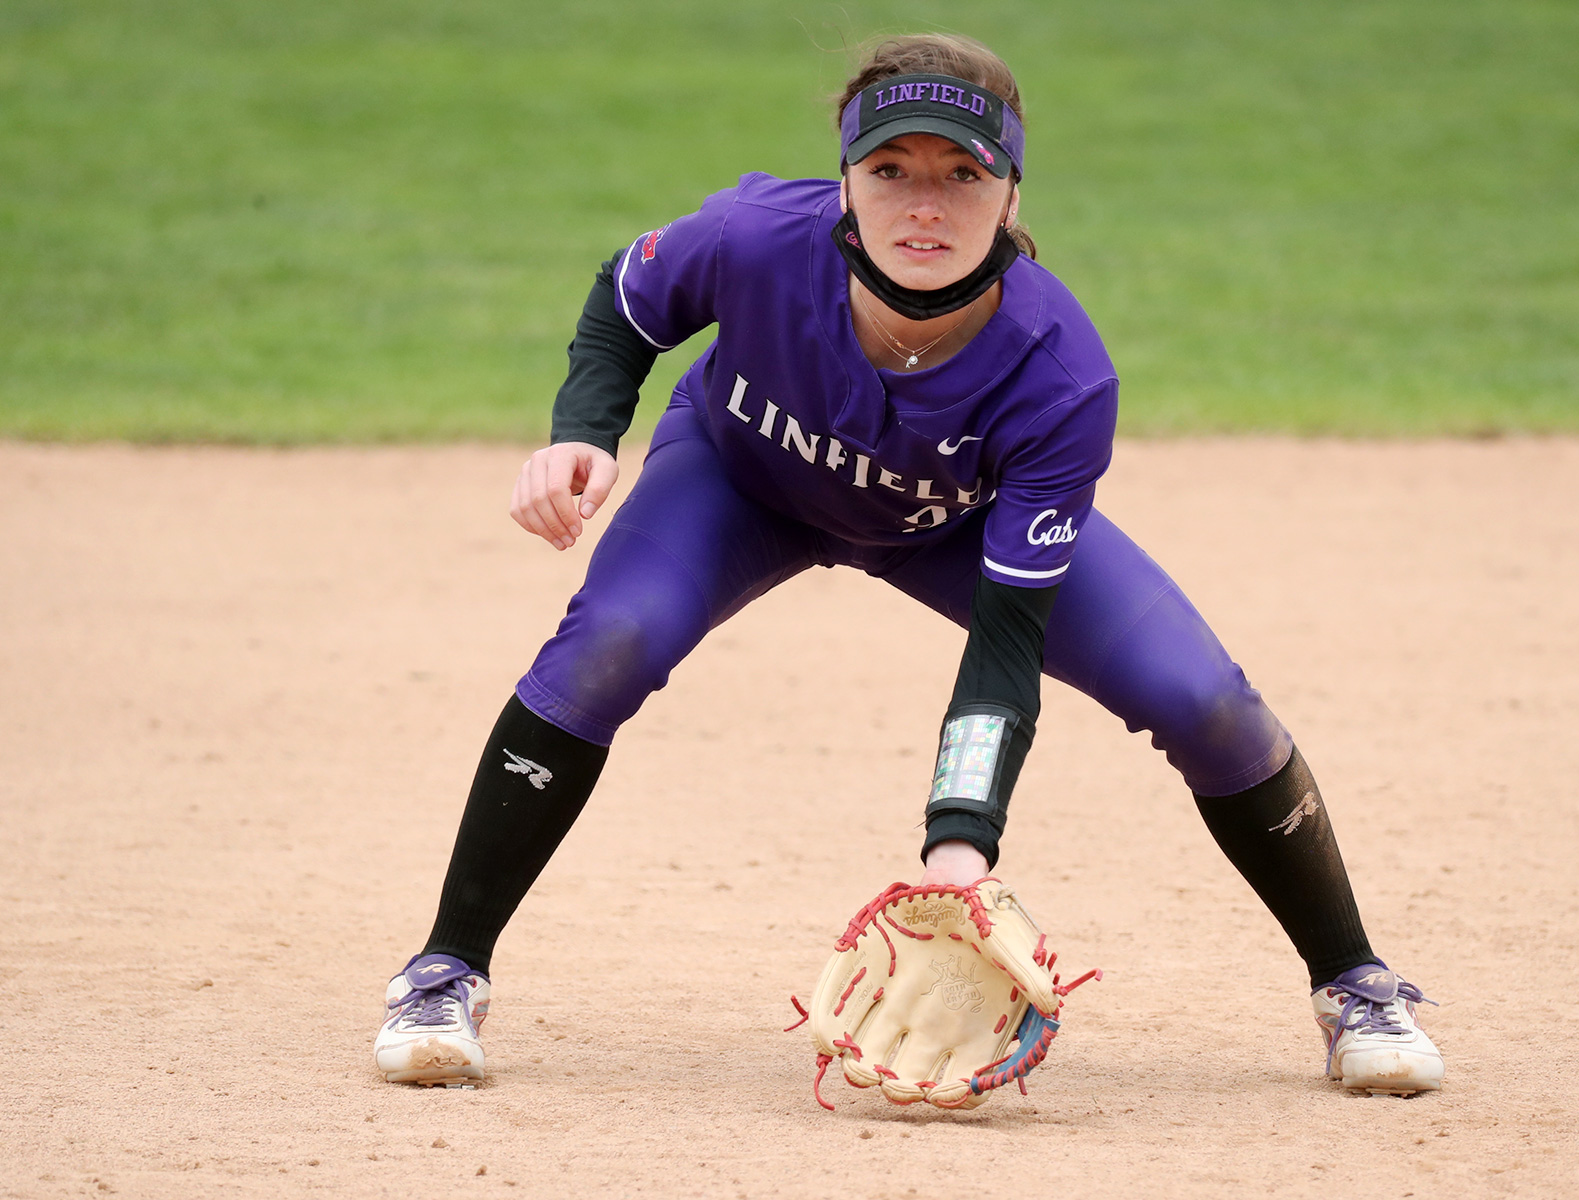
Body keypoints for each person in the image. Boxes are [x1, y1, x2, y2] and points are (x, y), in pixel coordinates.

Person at [374, 33, 1443, 1096]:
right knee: (610, 643)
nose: (922, 205)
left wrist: (959, 847)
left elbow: (1007, 642)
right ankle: (445, 970)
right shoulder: (750, 240)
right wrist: (585, 430)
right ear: (845, 184)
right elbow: (628, 296)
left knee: (1204, 699)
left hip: (949, 525)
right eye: (890, 171)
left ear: (1011, 197)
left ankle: (1355, 982)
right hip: (740, 480)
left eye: (961, 175)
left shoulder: (1060, 379)